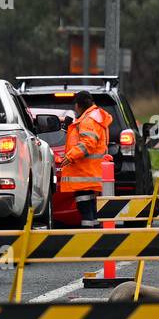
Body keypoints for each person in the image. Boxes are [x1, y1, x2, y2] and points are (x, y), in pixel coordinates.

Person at [57, 91, 111, 227]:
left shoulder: (88, 120)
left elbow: (88, 143)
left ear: (78, 105)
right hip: (90, 172)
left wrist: (70, 156)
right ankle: (93, 235)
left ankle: (87, 237)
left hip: (84, 172)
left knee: (85, 207)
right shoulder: (96, 118)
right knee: (91, 207)